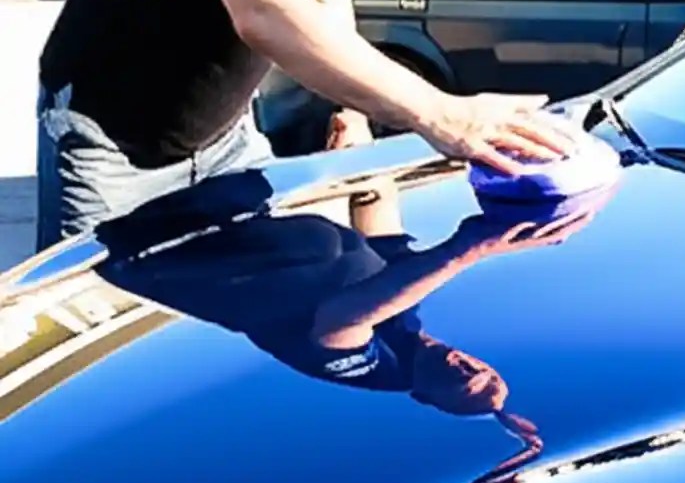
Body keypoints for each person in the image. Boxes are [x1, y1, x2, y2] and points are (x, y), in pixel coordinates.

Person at [36, 0, 577, 249]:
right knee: (103, 361)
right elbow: (262, 10)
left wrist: (354, 113)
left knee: (217, 340)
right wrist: (441, 112)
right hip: (111, 141)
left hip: (226, 135)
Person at [93, 169, 605, 430]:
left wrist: (466, 251)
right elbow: (380, 230)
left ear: (423, 398)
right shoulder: (408, 323)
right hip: (227, 189)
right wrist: (361, 145)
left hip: (136, 220)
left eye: (456, 381)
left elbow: (340, 320)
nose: (460, 364)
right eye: (480, 370)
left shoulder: (374, 371)